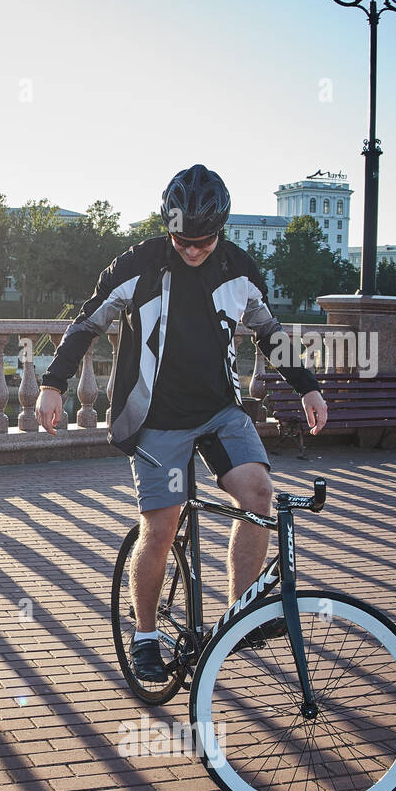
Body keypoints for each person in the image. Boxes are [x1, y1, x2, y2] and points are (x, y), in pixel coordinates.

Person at [37, 165, 329, 682]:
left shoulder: (240, 270)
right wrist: (53, 382)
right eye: (183, 240)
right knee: (163, 523)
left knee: (259, 494)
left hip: (219, 410)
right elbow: (86, 324)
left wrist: (306, 385)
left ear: (221, 229)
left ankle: (240, 615)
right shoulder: (139, 265)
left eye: (203, 241)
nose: (192, 250)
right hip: (156, 418)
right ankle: (145, 633)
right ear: (167, 225)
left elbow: (271, 334)